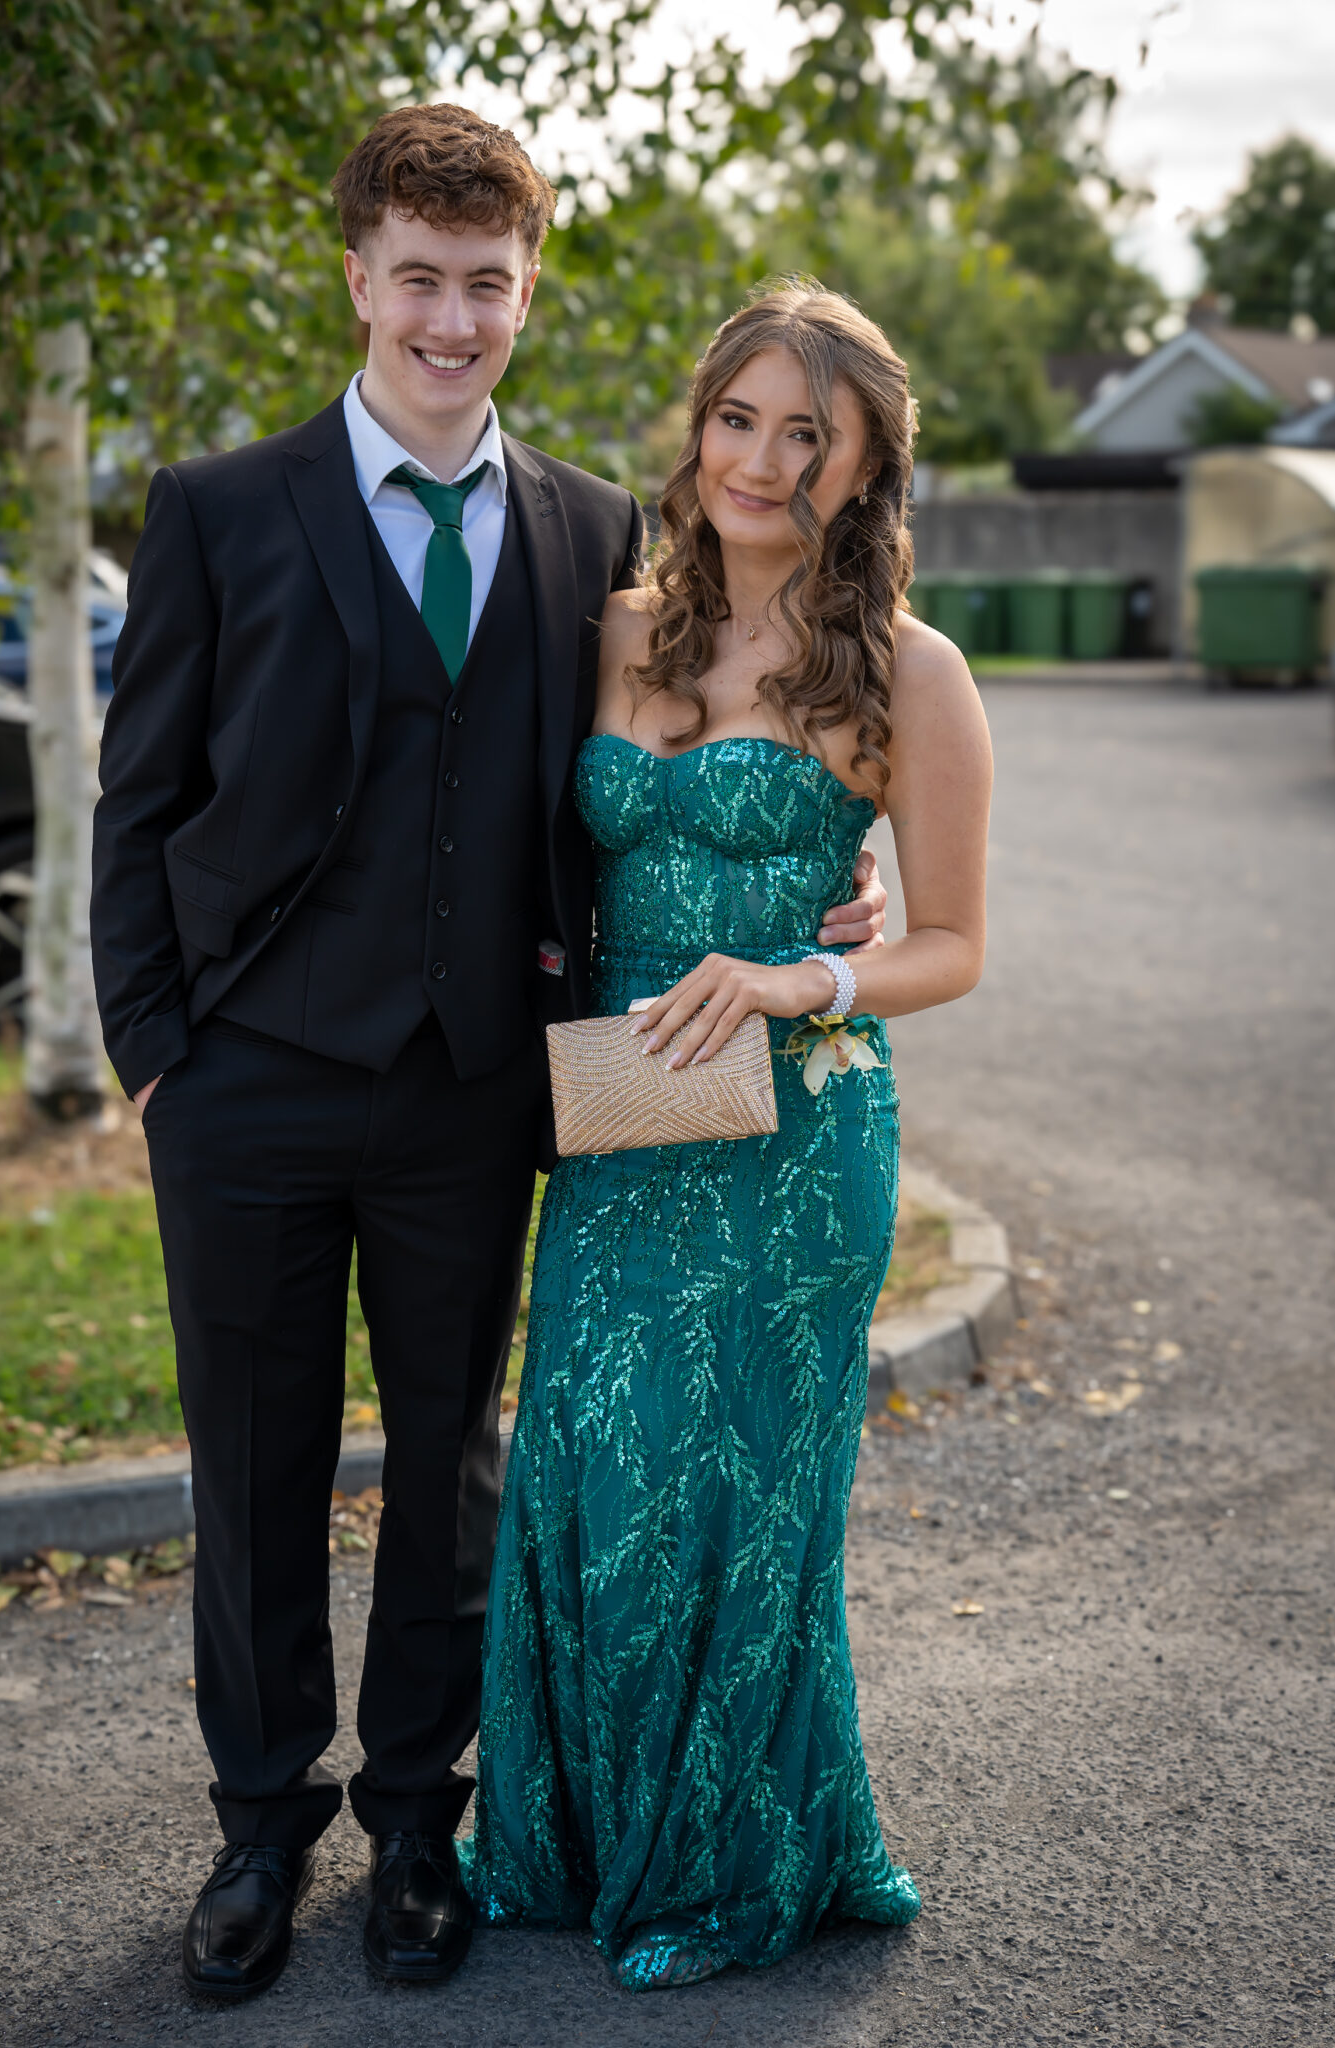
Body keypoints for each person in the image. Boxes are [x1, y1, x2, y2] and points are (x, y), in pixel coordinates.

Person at [90, 110, 888, 2000]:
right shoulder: (217, 508)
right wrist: (151, 1055)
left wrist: (813, 902)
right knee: (256, 1468)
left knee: (450, 1467)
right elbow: (140, 802)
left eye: (489, 285)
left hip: (479, 1092)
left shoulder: (595, 534)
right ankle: (259, 1829)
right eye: (421, 280)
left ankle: (417, 1832)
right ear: (359, 279)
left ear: (525, 295)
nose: (453, 319)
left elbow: (662, 779)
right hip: (246, 1082)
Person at [462, 281, 993, 1990]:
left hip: (791, 1145)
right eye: (739, 418)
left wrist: (798, 978)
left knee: (749, 1494)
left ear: (863, 471)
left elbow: (951, 944)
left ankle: (726, 1870)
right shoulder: (612, 632)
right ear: (696, 428)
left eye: (808, 436)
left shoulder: (912, 670)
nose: (763, 460)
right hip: (623, 1121)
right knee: (595, 1458)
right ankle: (565, 1837)